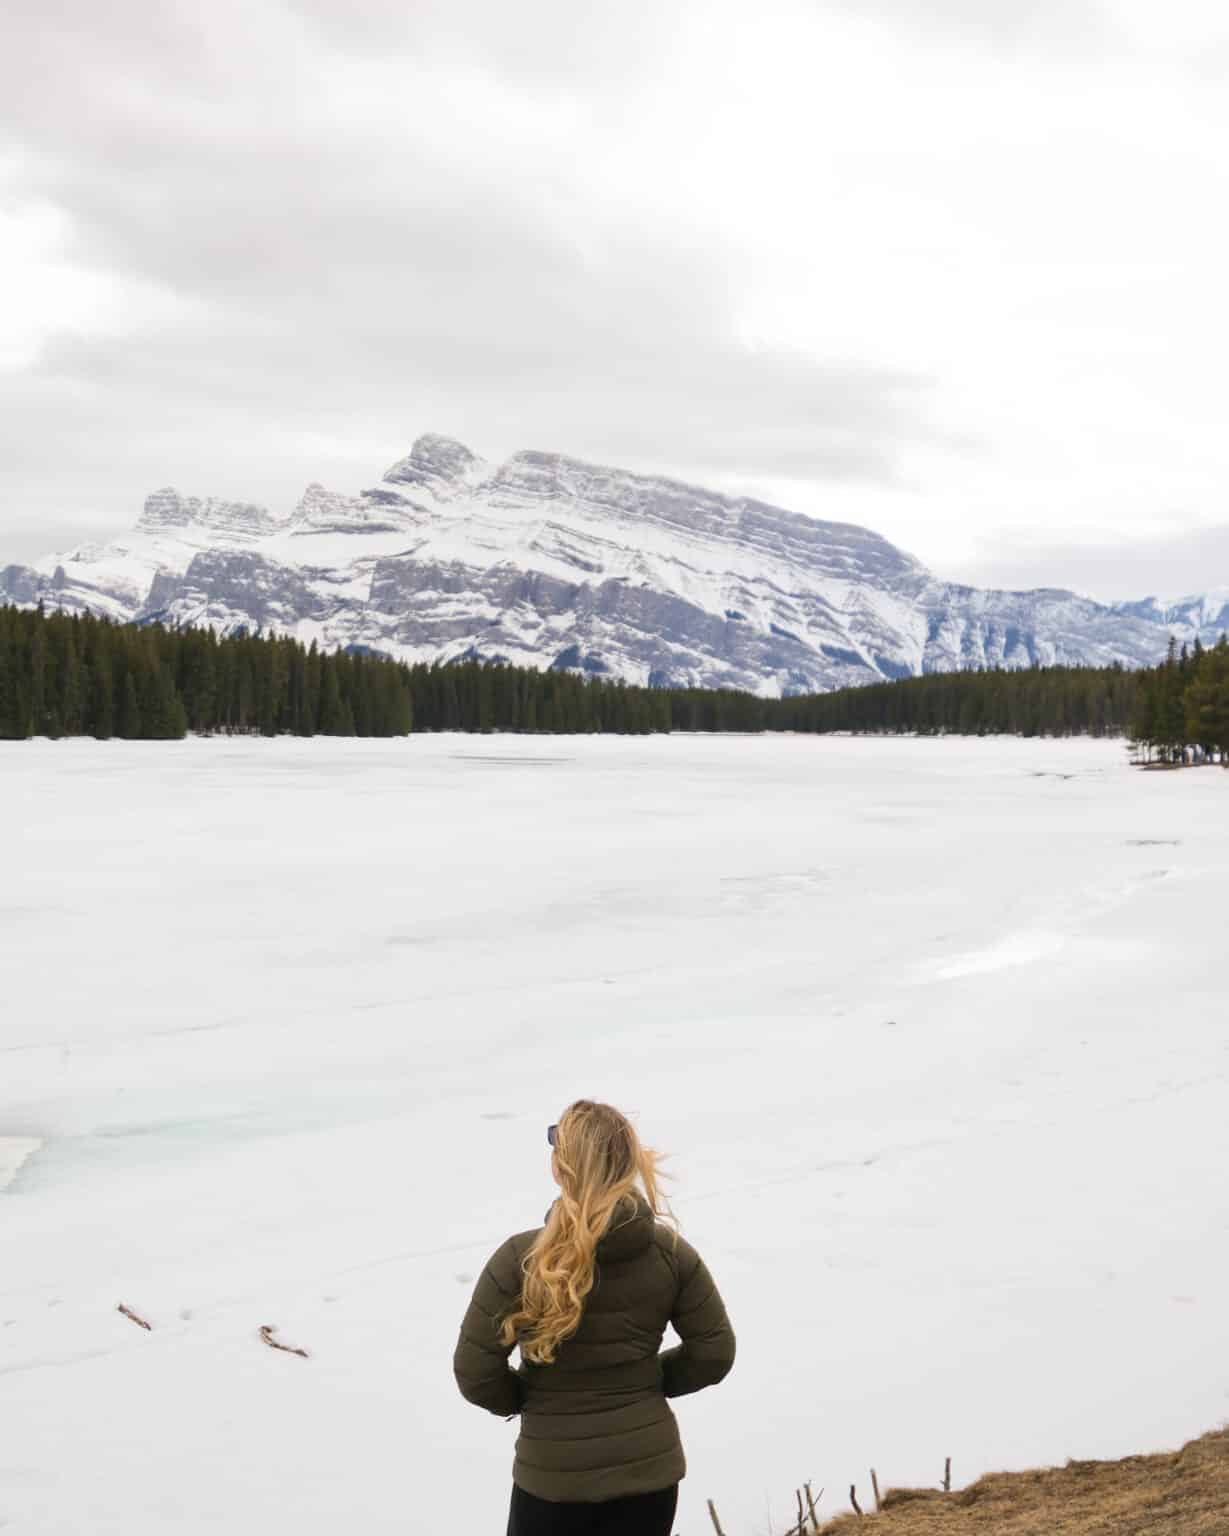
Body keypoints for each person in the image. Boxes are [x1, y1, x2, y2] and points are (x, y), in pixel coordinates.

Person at [453, 1099, 736, 1536]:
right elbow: (714, 1352)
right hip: (649, 1478)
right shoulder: (671, 1255)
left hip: (552, 1480)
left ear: (562, 1167)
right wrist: (648, 1384)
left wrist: (527, 1398)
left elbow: (475, 1372)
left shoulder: (520, 1260)